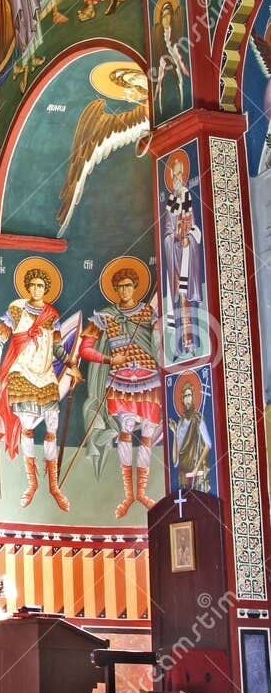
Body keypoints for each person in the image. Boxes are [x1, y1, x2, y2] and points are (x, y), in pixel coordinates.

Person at [74, 263, 162, 519]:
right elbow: (85, 349)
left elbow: (163, 342)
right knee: (125, 432)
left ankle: (142, 492)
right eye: (119, 286)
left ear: (135, 287)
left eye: (128, 285)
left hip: (149, 379)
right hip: (121, 382)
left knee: (147, 434)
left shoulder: (148, 313)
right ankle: (127, 495)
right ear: (114, 289)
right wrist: (110, 359)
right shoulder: (105, 316)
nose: (124, 290)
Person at [0, 262, 71, 511]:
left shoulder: (52, 315)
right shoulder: (16, 309)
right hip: (21, 374)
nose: (36, 288)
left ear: (46, 288)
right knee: (28, 429)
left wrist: (71, 363)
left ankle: (53, 486)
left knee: (52, 429)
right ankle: (32, 484)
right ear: (27, 287)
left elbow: (57, 348)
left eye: (40, 285)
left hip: (46, 377)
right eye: (32, 284)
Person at [162, 153, 203, 360]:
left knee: (188, 300)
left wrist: (189, 240)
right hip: (175, 258)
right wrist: (173, 239)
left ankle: (192, 344)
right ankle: (179, 348)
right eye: (174, 175)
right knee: (178, 300)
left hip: (187, 255)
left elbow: (194, 226)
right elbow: (167, 232)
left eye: (180, 174)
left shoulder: (187, 196)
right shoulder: (171, 201)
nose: (177, 178)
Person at [171, 377, 213, 488]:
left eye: (189, 395)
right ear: (182, 399)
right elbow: (175, 461)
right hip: (183, 474)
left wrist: (196, 468)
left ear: (193, 398)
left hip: (196, 472)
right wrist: (174, 433)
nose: (187, 399)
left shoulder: (198, 419)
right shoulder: (180, 423)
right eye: (185, 396)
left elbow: (208, 445)